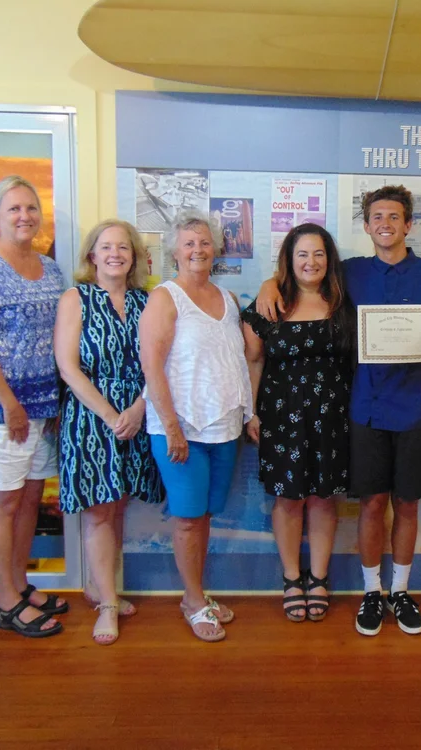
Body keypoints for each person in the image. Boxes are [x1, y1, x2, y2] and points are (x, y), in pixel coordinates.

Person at [257, 185, 421, 637]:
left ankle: (401, 591)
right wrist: (269, 281)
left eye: (394, 217)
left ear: (409, 224)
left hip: (418, 407)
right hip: (364, 409)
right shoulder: (348, 275)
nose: (385, 224)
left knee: (407, 504)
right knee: (372, 504)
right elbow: (301, 278)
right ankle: (372, 592)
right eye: (377, 217)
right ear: (366, 226)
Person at [0, 175, 66, 637]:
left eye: (31, 208)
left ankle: (20, 585)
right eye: (14, 209)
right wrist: (10, 404)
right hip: (0, 409)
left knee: (30, 499)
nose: (24, 217)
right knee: (3, 503)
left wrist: (55, 402)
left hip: (43, 407)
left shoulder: (51, 269)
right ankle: (5, 601)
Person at [139, 211, 253, 643]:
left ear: (215, 248)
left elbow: (237, 361)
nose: (197, 250)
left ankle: (198, 593)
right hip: (181, 429)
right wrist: (170, 427)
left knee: (205, 513)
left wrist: (247, 415)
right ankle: (191, 600)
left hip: (223, 427)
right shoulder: (165, 298)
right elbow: (151, 366)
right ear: (174, 250)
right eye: (188, 243)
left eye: (204, 242)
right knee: (187, 519)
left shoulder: (227, 298)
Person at [54, 219, 164, 646]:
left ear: (134, 256)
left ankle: (100, 587)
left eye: (124, 247)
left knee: (116, 507)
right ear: (92, 256)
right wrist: (110, 414)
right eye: (106, 247)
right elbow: (68, 367)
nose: (115, 253)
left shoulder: (146, 301)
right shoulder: (75, 299)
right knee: (99, 509)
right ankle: (108, 605)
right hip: (90, 419)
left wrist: (137, 408)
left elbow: (160, 362)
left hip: (138, 413)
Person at [241, 223, 353, 623]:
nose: (311, 262)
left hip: (333, 416)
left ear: (329, 259)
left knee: (324, 498)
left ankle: (319, 578)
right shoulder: (270, 303)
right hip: (280, 415)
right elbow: (254, 360)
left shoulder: (344, 301)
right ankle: (292, 578)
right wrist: (250, 412)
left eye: (319, 254)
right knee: (288, 499)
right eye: (302, 254)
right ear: (289, 259)